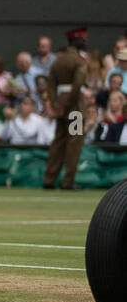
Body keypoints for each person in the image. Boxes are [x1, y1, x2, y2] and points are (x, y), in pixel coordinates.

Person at [44, 27, 91, 190]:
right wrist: (66, 105)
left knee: (58, 143)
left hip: (60, 108)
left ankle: (49, 179)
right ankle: (68, 181)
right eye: (83, 39)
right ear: (75, 41)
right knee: (74, 144)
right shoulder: (79, 61)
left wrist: (56, 104)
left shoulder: (58, 60)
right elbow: (78, 85)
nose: (85, 42)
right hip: (75, 108)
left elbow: (50, 85)